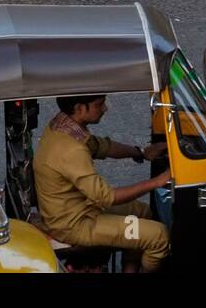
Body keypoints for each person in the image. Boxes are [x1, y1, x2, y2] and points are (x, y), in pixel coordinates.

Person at [33, 94, 171, 272]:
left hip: (81, 207)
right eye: (99, 104)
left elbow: (101, 147)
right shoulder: (71, 149)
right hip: (74, 225)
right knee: (159, 236)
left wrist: (142, 152)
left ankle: (129, 268)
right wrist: (157, 182)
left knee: (142, 211)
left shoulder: (62, 125)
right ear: (80, 108)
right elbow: (106, 197)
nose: (105, 108)